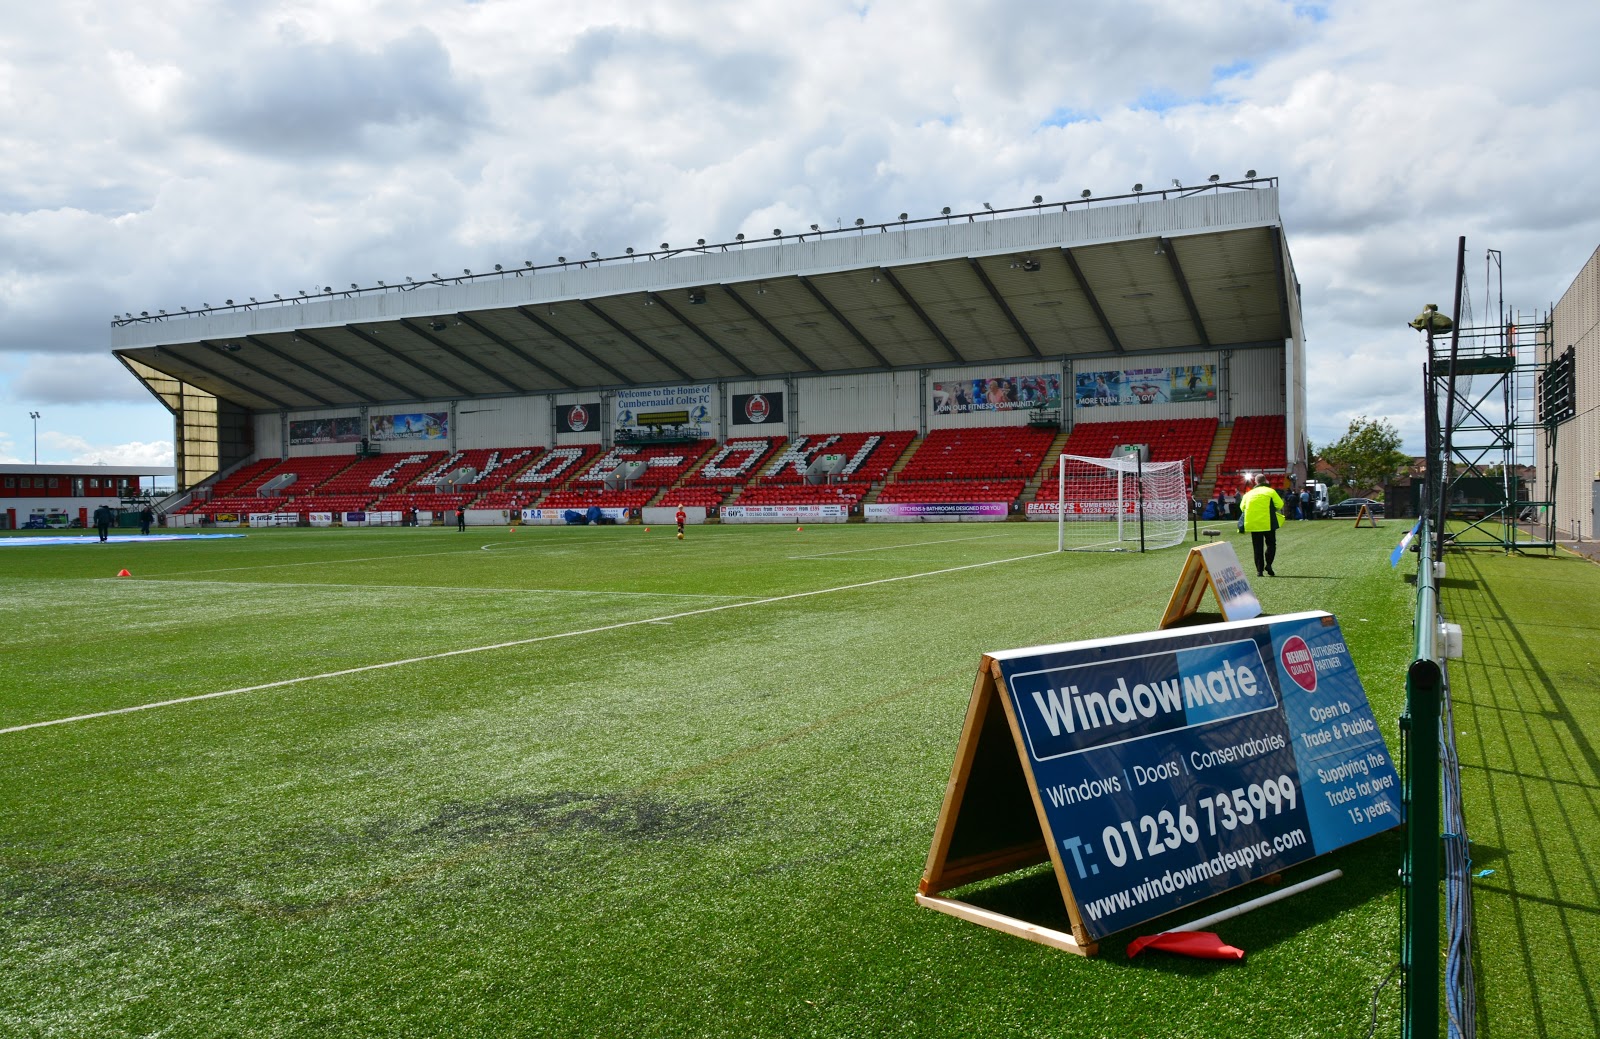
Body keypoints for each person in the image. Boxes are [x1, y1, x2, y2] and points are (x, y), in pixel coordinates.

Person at [1240, 475, 1286, 577]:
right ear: (1265, 481)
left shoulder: (1249, 493)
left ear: (1255, 482)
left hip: (1254, 523)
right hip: (1268, 522)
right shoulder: (1270, 491)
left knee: (1257, 547)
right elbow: (1279, 504)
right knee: (1271, 544)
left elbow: (1242, 507)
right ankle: (1269, 564)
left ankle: (1259, 571)